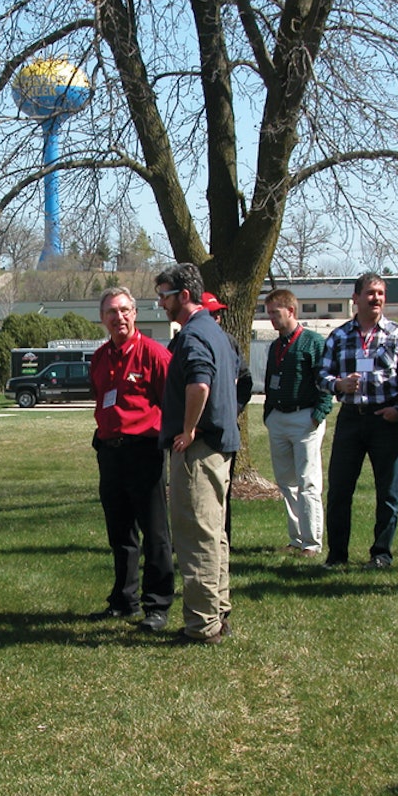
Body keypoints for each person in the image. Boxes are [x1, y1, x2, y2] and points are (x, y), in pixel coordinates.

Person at [156, 264, 241, 645]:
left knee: (196, 537)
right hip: (219, 449)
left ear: (184, 296)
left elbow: (200, 385)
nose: (161, 303)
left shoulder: (192, 337)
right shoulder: (216, 332)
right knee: (214, 534)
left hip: (200, 451)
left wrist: (188, 430)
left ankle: (202, 625)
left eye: (164, 295)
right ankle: (218, 609)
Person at [318, 272, 398, 570]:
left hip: (385, 420)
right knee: (340, 491)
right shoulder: (339, 337)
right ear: (355, 298)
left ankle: (381, 553)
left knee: (388, 491)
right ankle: (337, 554)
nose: (375, 298)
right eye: (369, 293)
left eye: (380, 293)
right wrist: (338, 385)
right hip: (351, 419)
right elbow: (321, 377)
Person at [88, 286, 174, 631]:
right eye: (111, 311)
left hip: (144, 451)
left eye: (124, 310)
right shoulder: (100, 357)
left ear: (135, 314)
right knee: (120, 533)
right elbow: (100, 398)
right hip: (110, 452)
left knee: (155, 534)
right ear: (102, 319)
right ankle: (124, 600)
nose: (118, 317)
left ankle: (158, 605)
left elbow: (172, 405)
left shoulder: (154, 355)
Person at [262, 289, 333, 558]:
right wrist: (269, 414)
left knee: (308, 481)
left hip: (305, 417)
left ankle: (312, 542)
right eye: (268, 313)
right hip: (279, 417)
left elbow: (325, 379)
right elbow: (270, 380)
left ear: (291, 311)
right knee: (286, 482)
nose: (271, 319)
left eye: (275, 313)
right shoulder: (275, 346)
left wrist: (320, 412)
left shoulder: (313, 342)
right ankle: (296, 537)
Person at [202, 291, 253, 547]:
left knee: (222, 490)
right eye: (211, 313)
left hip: (222, 431)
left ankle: (223, 541)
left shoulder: (230, 343)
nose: (216, 318)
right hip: (194, 431)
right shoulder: (184, 341)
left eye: (218, 313)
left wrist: (232, 409)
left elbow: (245, 382)